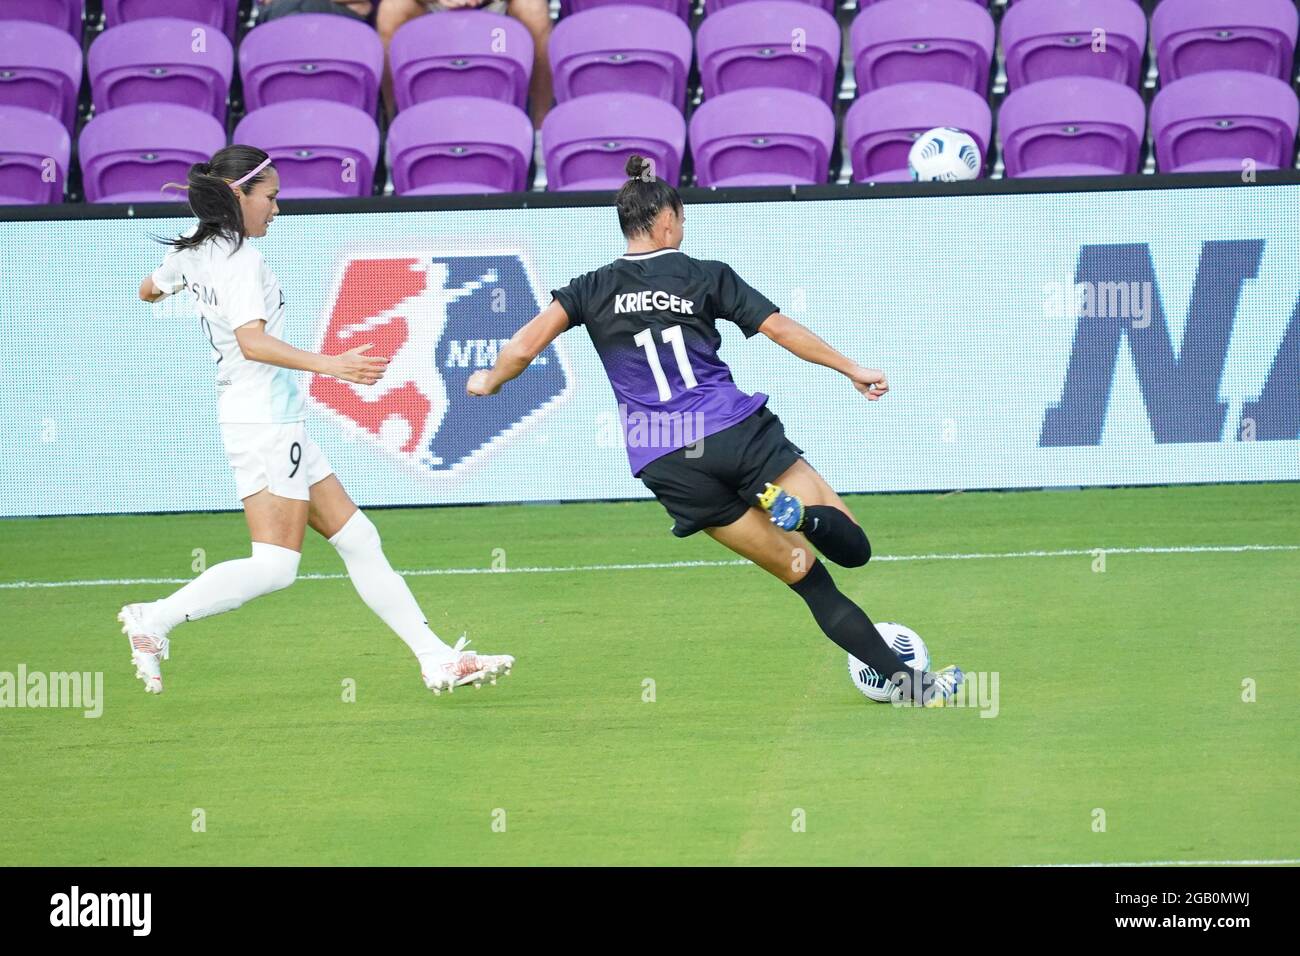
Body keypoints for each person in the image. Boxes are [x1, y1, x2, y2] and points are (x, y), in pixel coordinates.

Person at [466, 154, 964, 707]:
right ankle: (805, 518)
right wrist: (852, 368)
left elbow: (522, 347)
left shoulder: (589, 288)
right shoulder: (705, 275)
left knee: (809, 579)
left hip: (665, 461)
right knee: (853, 549)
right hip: (732, 431)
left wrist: (489, 382)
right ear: (666, 221)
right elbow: (780, 329)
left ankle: (914, 689)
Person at [122, 144, 513, 697]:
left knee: (359, 538)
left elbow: (147, 291)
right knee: (276, 566)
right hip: (266, 422)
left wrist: (188, 285)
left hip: (261, 417)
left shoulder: (196, 251)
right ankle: (154, 618)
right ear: (239, 196)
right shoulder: (238, 260)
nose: (276, 210)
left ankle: (436, 659)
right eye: (271, 197)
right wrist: (333, 365)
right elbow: (251, 341)